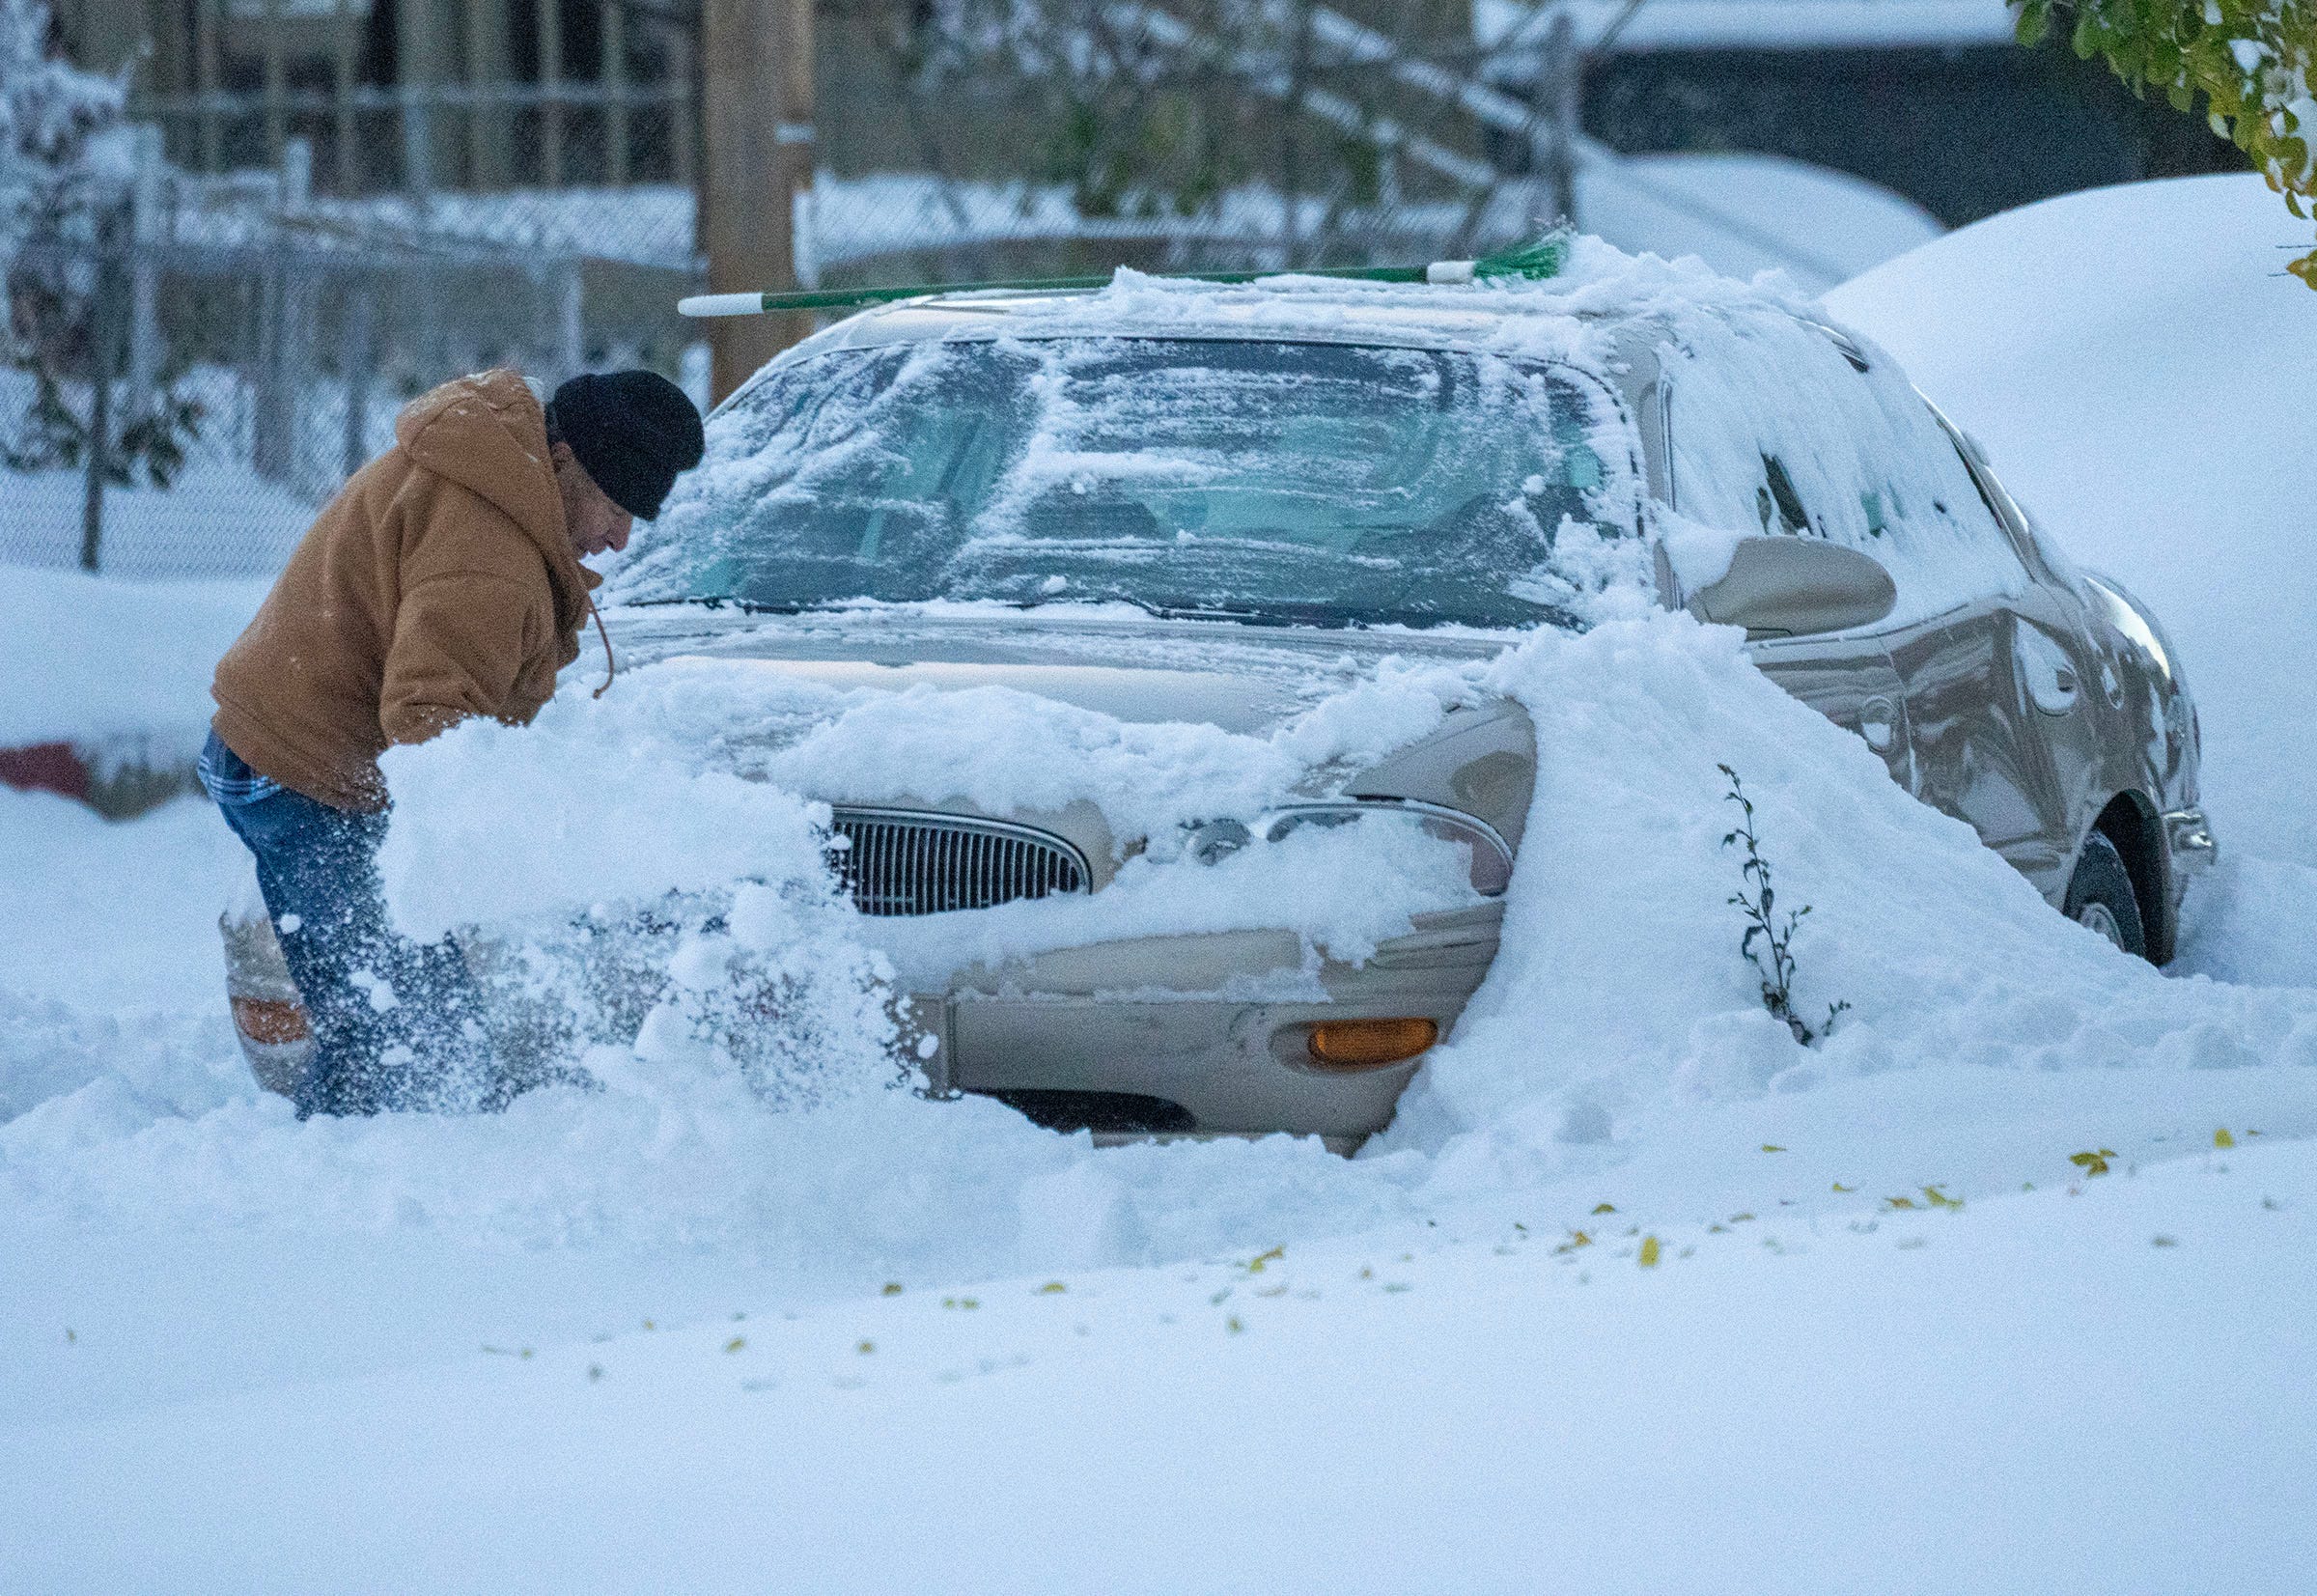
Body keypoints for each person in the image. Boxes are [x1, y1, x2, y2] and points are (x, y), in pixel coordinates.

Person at [200, 368, 706, 1118]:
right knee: (406, 1037)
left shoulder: (499, 480)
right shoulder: (491, 548)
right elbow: (430, 719)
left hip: (294, 747)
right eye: (617, 504)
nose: (621, 537)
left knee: (412, 1015)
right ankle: (356, 1187)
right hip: (300, 770)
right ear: (565, 461)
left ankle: (377, 1154)